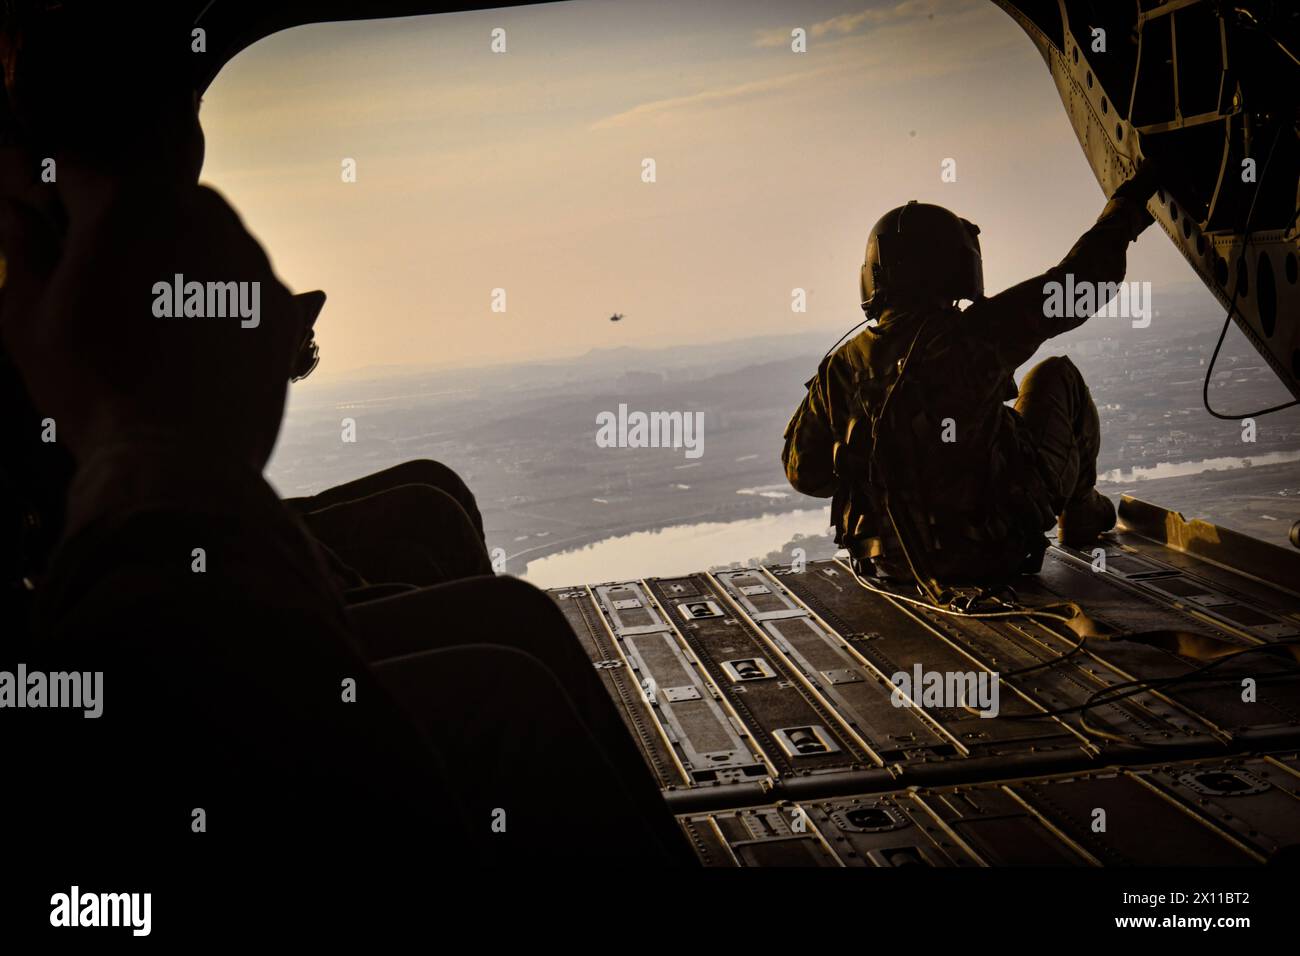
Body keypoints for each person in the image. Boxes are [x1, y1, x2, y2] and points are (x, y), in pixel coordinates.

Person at [782, 167, 1159, 590]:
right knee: (1057, 375)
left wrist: (869, 459)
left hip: (894, 568)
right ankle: (1082, 512)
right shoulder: (980, 333)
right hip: (996, 551)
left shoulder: (841, 366)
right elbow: (1085, 280)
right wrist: (1127, 204)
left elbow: (804, 473)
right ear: (958, 266)